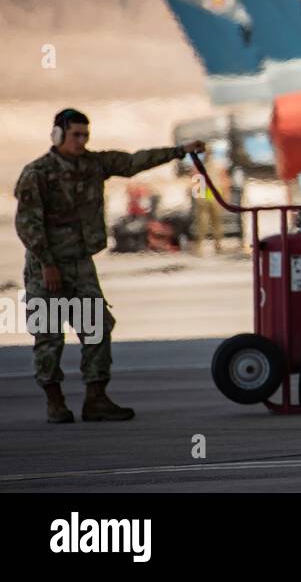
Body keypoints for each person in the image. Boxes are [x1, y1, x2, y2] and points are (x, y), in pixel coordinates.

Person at [14, 108, 205, 423]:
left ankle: (96, 398)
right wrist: (47, 263)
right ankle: (55, 402)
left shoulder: (93, 164)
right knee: (49, 335)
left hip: (80, 264)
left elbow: (133, 162)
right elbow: (28, 225)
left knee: (97, 328)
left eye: (85, 135)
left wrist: (179, 152)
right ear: (58, 135)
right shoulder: (38, 174)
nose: (81, 141)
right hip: (45, 268)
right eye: (75, 135)